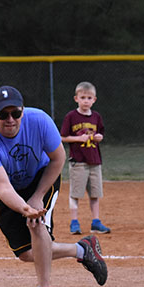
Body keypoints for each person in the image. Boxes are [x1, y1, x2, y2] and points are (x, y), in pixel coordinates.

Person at [0, 85, 108, 287]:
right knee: (26, 254)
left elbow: (58, 158)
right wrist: (25, 207)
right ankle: (82, 250)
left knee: (37, 225)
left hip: (42, 176)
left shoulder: (39, 121)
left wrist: (37, 197)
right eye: (3, 114)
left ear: (22, 111)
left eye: (16, 113)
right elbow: (3, 188)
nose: (10, 119)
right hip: (11, 190)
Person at [60, 80, 110, 235]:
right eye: (83, 97)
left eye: (89, 98)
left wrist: (99, 137)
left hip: (94, 160)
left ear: (94, 100)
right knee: (76, 193)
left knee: (95, 193)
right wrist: (77, 139)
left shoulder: (96, 117)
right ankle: (74, 222)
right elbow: (62, 137)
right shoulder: (71, 116)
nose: (86, 101)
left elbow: (100, 133)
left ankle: (96, 222)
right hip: (78, 161)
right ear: (76, 99)